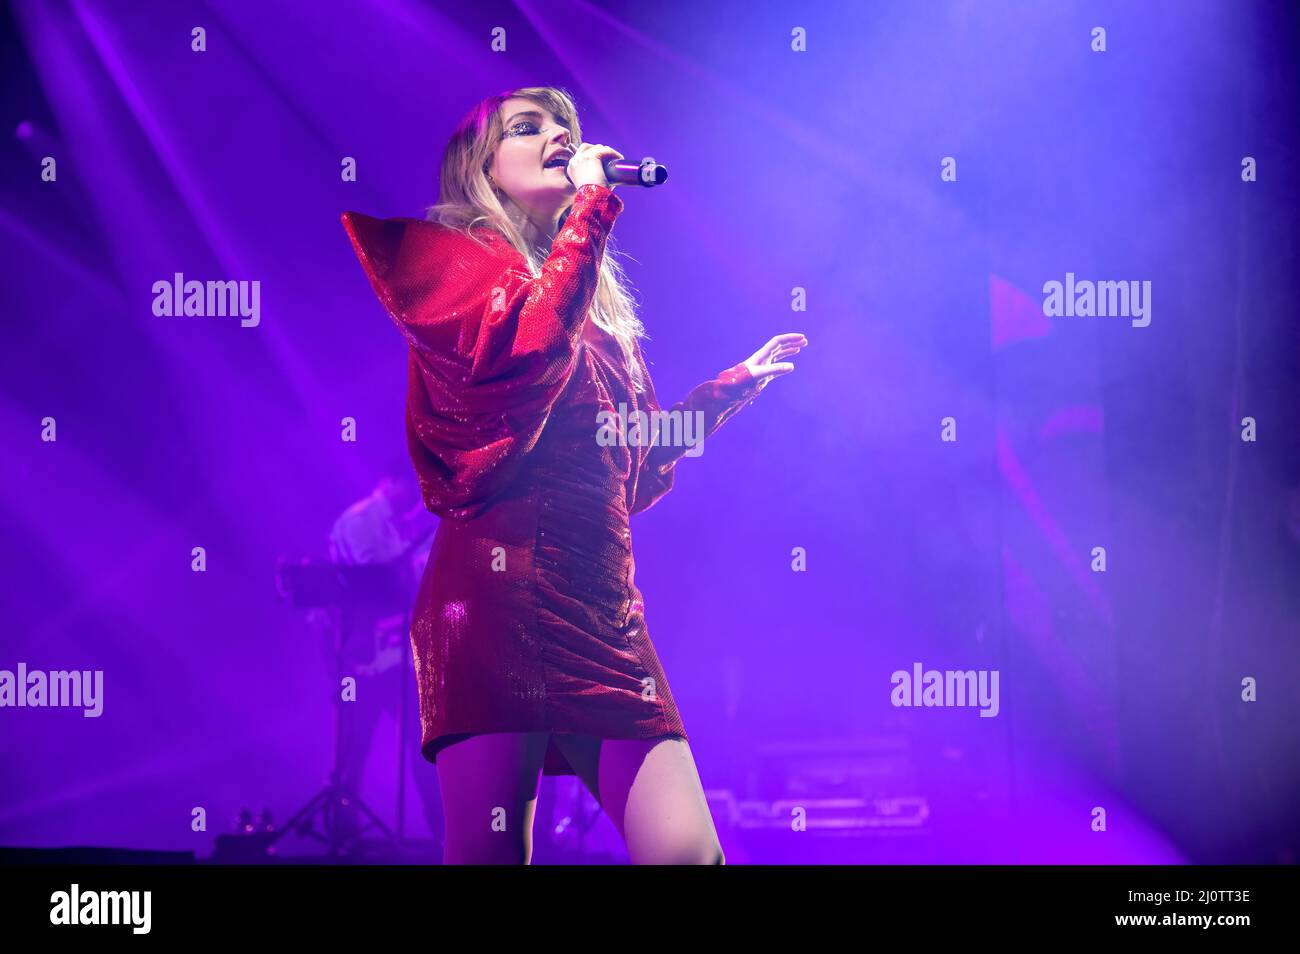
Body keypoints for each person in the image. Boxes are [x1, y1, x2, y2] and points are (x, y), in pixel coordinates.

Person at [341, 86, 806, 864]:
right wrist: (593, 202)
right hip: (496, 596)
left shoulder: (596, 308)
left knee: (688, 853)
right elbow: (524, 357)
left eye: (566, 125)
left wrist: (723, 394)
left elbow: (633, 466)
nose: (559, 135)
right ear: (479, 166)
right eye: (529, 128)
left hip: (603, 608)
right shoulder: (448, 259)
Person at [327, 462, 443, 852]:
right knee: (355, 749)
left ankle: (444, 837)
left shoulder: (391, 525)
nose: (416, 498)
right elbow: (376, 582)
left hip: (396, 660)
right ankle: (344, 838)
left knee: (422, 746)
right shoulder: (362, 521)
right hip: (365, 661)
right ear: (392, 483)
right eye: (413, 487)